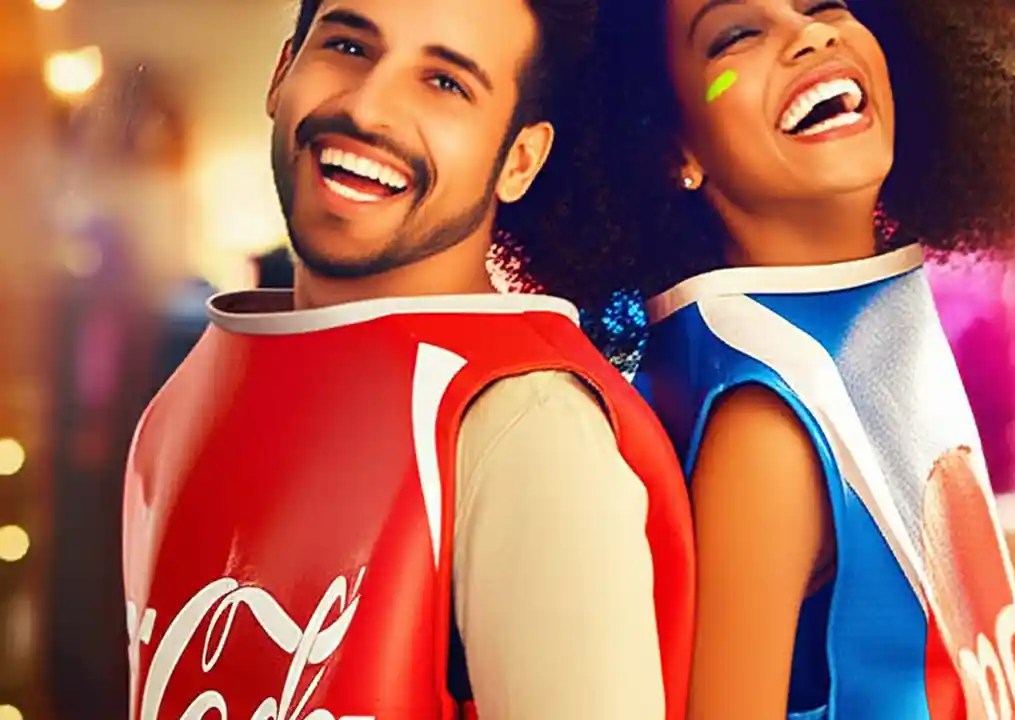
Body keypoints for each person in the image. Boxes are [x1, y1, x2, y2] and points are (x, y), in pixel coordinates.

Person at [120, 1, 693, 718]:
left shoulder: (525, 426)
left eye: (446, 83)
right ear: (281, 74)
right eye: (349, 47)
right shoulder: (188, 394)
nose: (369, 107)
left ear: (519, 159)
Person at [529, 0, 1015, 717]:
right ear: (673, 150)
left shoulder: (867, 326)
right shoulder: (765, 425)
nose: (811, 35)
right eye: (738, 35)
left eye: (824, 5)